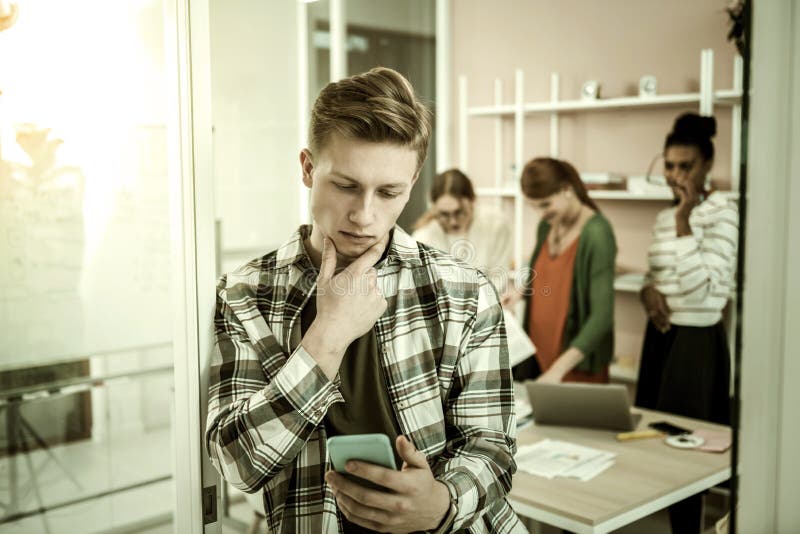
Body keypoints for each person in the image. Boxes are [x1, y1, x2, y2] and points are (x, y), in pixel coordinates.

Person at [205, 67, 524, 534]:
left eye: (389, 192)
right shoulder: (244, 294)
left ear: (413, 183)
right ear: (308, 168)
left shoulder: (466, 290)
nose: (363, 215)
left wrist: (442, 502)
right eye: (346, 185)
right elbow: (239, 465)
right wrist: (327, 338)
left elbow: (492, 445)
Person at [635, 113, 737, 534]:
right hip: (661, 337)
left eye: (686, 166)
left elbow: (700, 290)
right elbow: (658, 274)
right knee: (654, 440)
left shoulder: (725, 212)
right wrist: (647, 291)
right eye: (671, 165)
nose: (677, 174)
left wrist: (684, 219)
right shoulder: (663, 216)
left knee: (687, 452)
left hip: (697, 342)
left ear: (708, 165)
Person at [506, 157, 617, 384]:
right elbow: (541, 272)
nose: (540, 213)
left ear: (567, 189)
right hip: (539, 355)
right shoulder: (547, 225)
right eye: (534, 206)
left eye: (545, 204)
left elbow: (602, 316)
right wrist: (518, 293)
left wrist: (558, 369)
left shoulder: (597, 234)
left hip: (573, 364)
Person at [412, 168, 512, 283]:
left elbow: (499, 280)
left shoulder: (496, 226)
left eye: (459, 212)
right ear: (434, 208)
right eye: (444, 214)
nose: (453, 221)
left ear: (472, 201)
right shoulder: (423, 237)